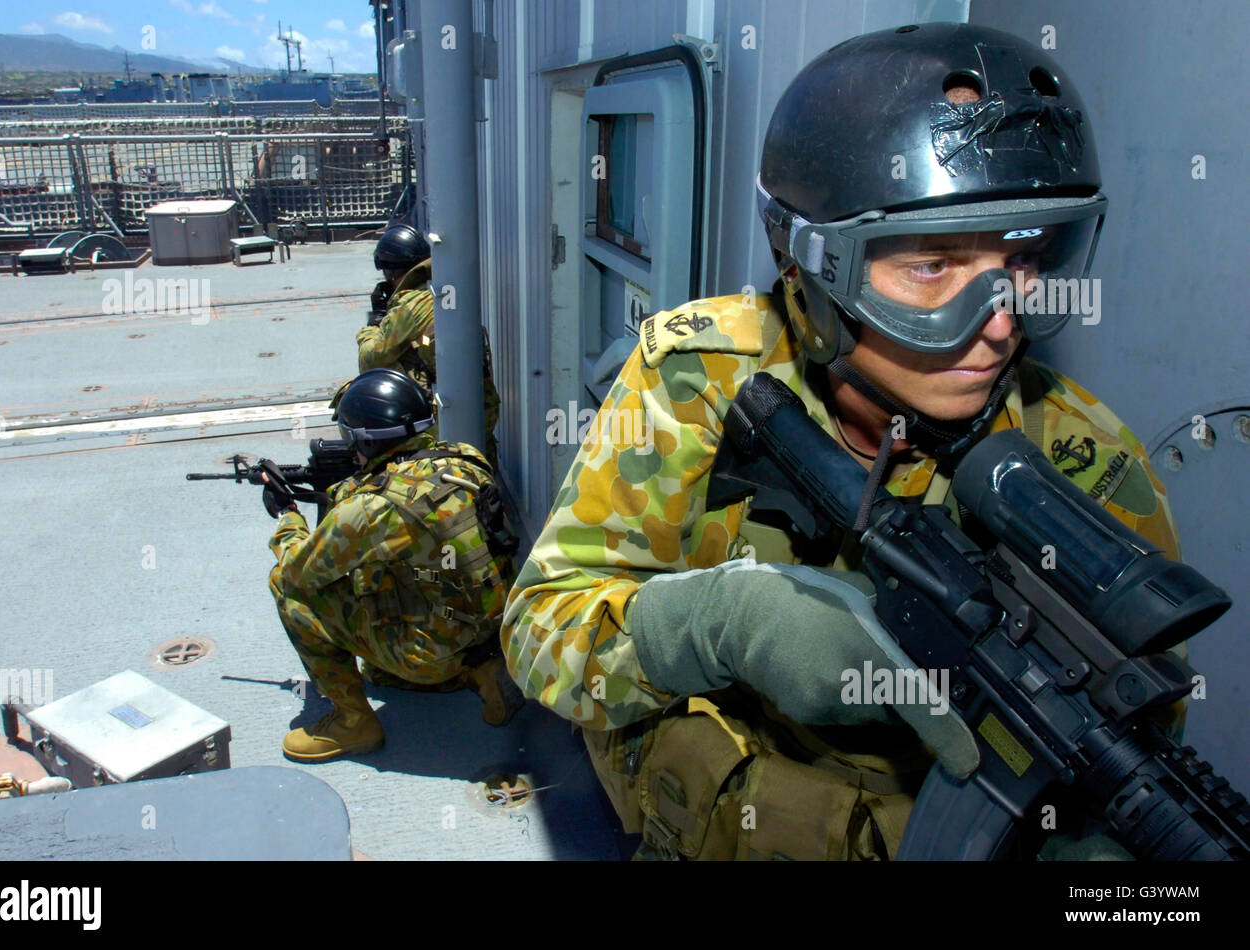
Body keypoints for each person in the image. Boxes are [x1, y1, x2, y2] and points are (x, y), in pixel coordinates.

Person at [501, 22, 1186, 859]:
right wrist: (719, 625)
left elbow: (1147, 729)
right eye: (933, 269)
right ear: (810, 270)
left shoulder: (1089, 464)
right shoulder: (702, 380)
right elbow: (541, 630)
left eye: (1028, 258)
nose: (1001, 322)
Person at [268, 368, 521, 762]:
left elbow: (298, 572)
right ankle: (480, 672)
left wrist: (288, 515)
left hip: (430, 655)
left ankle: (354, 723)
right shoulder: (465, 459)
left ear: (362, 440)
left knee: (288, 592)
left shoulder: (371, 510)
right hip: (493, 633)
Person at [356, 222, 502, 471]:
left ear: (391, 273)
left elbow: (370, 360)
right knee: (480, 472)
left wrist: (374, 323)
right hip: (482, 409)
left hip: (442, 424)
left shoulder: (410, 305)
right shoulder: (446, 287)